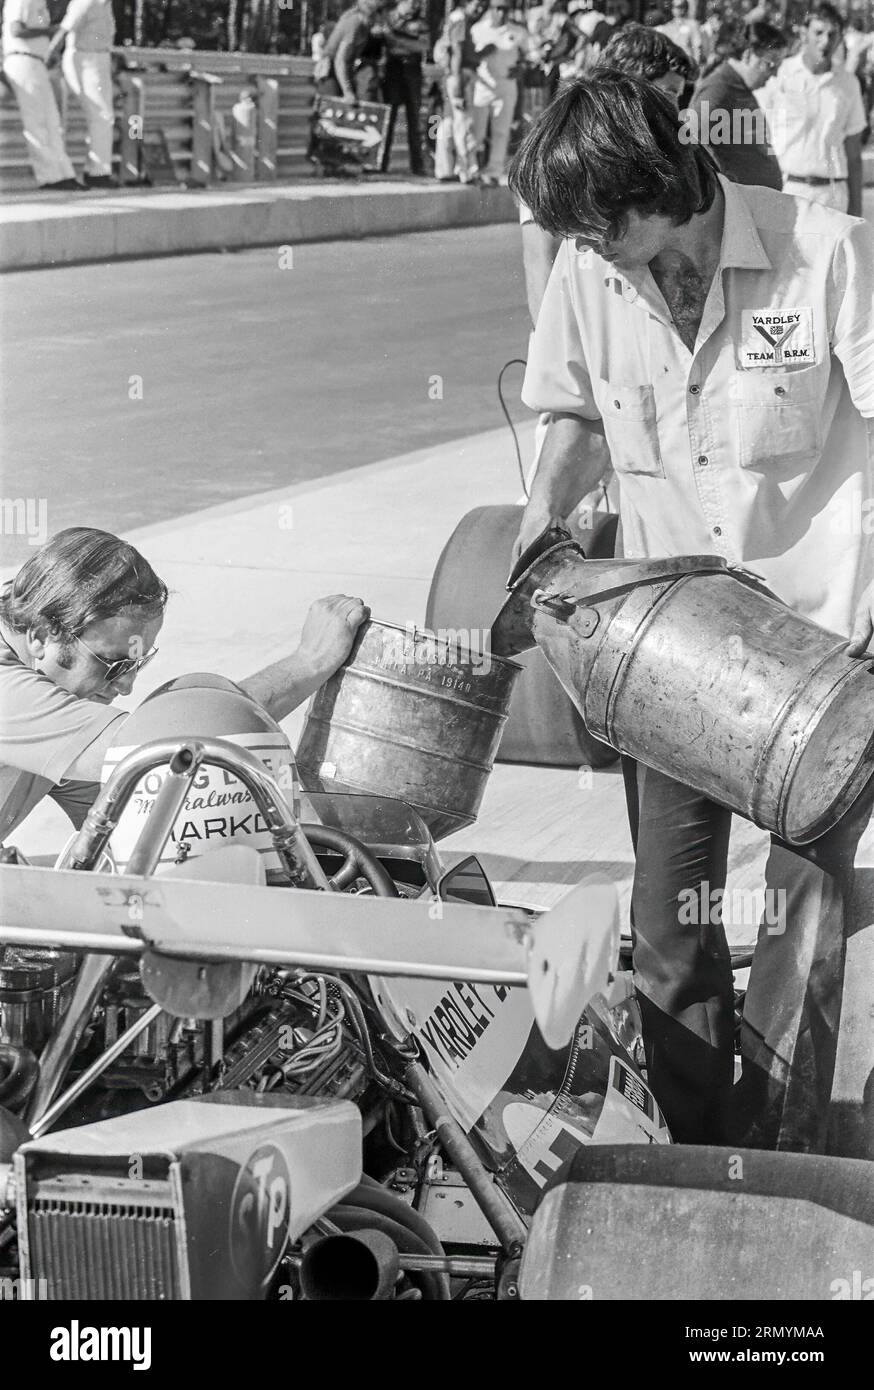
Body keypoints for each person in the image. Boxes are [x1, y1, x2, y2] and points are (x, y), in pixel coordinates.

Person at [508, 72, 874, 1155]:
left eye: (598, 223)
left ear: (661, 183)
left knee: (800, 933)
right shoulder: (592, 275)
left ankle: (782, 1166)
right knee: (670, 935)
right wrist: (539, 541)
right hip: (663, 651)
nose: (586, 249)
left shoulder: (829, 256)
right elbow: (573, 415)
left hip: (818, 663)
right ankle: (697, 1157)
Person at [0, 529, 368, 844]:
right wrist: (309, 662)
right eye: (114, 664)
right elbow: (159, 750)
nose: (126, 685)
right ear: (42, 635)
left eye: (137, 663)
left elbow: (128, 817)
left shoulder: (54, 698)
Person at [759, 3, 866, 216]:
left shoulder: (848, 83)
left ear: (840, 37)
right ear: (804, 34)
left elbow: (854, 154)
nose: (825, 41)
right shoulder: (780, 74)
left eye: (832, 34)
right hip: (788, 191)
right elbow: (758, 136)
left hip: (833, 196)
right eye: (818, 32)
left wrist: (856, 210)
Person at [688, 18, 786, 191]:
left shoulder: (736, 85)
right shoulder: (718, 88)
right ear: (748, 55)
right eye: (770, 65)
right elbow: (690, 142)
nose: (775, 74)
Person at [1, 0, 79, 190]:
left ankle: (64, 173)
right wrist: (49, 31)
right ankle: (49, 177)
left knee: (52, 120)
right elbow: (16, 30)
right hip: (22, 60)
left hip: (37, 62)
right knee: (36, 122)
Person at [45, 0, 117, 189]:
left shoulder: (104, 3)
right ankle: (97, 172)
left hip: (99, 58)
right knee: (101, 115)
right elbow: (65, 28)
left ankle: (98, 169)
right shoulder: (86, 1)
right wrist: (48, 55)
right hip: (85, 58)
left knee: (103, 117)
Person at [470, 0, 529, 185]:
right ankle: (472, 169)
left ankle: (493, 172)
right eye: (498, 9)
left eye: (505, 9)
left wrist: (523, 68)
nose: (501, 13)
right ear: (491, 9)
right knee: (476, 130)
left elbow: (530, 56)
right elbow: (468, 56)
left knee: (501, 131)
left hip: (506, 85)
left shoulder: (517, 32)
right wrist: (482, 53)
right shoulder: (478, 29)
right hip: (482, 85)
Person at [435, 0, 485, 183]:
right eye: (477, 4)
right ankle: (466, 171)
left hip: (456, 75)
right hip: (461, 76)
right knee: (464, 125)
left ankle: (445, 169)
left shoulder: (458, 18)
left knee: (448, 125)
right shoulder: (460, 19)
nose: (480, 9)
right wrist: (457, 84)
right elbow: (457, 52)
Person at [379, 0, 429, 174]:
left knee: (415, 121)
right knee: (387, 119)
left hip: (412, 70)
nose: (416, 5)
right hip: (393, 70)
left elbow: (423, 45)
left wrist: (395, 38)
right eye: (412, 2)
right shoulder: (387, 17)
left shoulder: (420, 22)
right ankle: (379, 163)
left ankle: (418, 166)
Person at [319, 0, 387, 103]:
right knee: (332, 107)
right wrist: (347, 91)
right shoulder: (354, 24)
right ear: (374, 14)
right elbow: (340, 61)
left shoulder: (365, 27)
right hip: (331, 69)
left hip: (345, 68)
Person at [656, 0, 704, 65]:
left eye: (682, 6)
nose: (680, 9)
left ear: (686, 8)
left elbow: (697, 46)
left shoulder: (693, 25)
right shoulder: (667, 27)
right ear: (672, 9)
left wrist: (696, 65)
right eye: (676, 7)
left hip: (687, 64)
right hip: (672, 65)